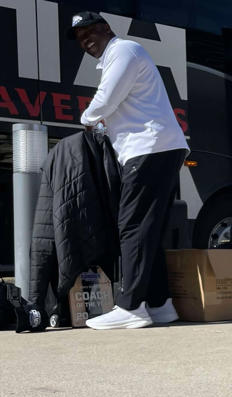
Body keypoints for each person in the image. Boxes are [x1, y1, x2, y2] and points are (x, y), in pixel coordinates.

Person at [69, 11, 189, 329]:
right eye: (80, 39)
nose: (86, 41)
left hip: (148, 148)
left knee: (132, 226)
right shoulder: (121, 56)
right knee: (149, 230)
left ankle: (131, 307)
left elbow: (105, 99)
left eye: (90, 32)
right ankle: (161, 304)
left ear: (107, 29)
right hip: (159, 147)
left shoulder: (123, 50)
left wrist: (87, 118)